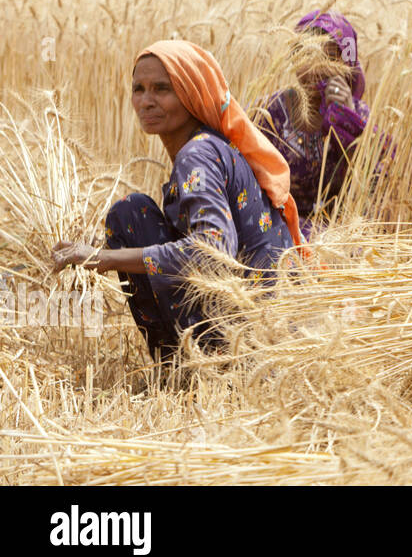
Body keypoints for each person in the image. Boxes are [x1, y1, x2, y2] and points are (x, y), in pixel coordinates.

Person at [52, 40, 304, 363]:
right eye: (138, 89)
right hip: (268, 331)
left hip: (249, 341)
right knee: (133, 213)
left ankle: (182, 368)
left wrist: (104, 258)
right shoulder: (211, 146)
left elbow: (211, 253)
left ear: (190, 94)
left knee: (130, 215)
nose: (146, 101)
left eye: (161, 89)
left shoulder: (196, 155)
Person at [253, 10, 384, 239]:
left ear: (347, 61)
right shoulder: (272, 110)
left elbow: (372, 184)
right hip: (279, 228)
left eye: (330, 58)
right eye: (307, 56)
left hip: (341, 235)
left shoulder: (360, 114)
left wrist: (347, 121)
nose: (315, 69)